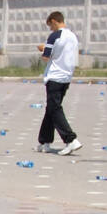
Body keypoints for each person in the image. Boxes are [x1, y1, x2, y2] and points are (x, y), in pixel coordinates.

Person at [36, 11, 81, 156]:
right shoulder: (73, 36)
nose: (50, 29)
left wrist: (43, 48)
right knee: (51, 109)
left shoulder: (55, 36)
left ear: (54, 21)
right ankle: (45, 141)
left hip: (55, 76)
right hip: (66, 77)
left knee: (55, 109)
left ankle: (70, 139)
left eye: (50, 26)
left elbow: (46, 57)